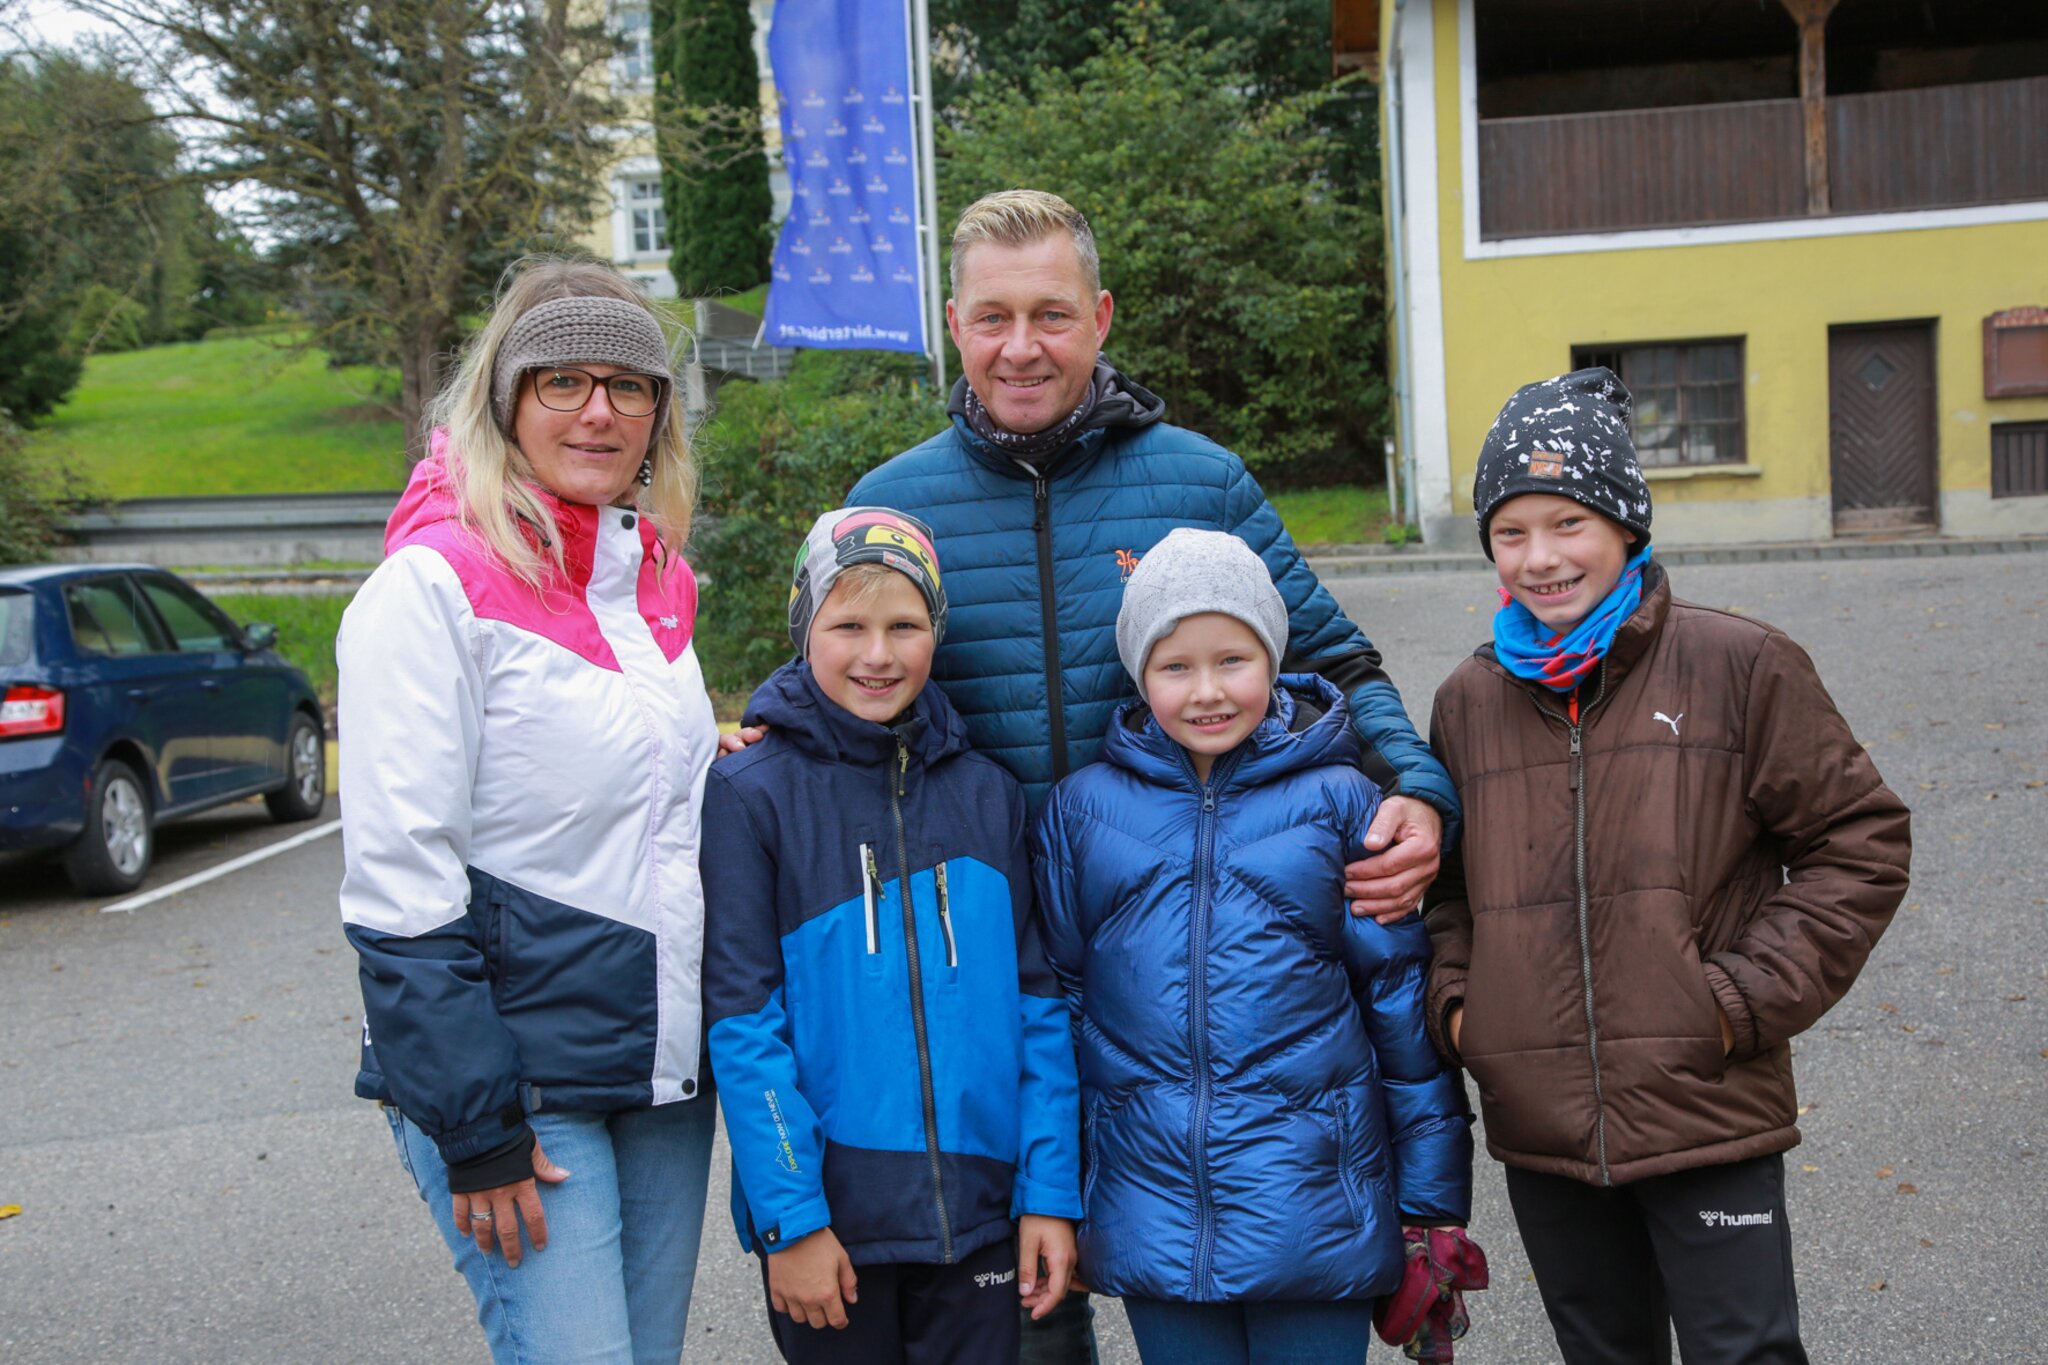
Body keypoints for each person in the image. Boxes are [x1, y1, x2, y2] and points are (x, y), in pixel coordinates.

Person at [828, 191, 1462, 1357]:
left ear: (1102, 316)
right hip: (982, 964)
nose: (1021, 347)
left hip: (1167, 970)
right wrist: (763, 738)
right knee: (1016, 1304)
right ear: (953, 324)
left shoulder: (1198, 481)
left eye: (1052, 315)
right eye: (992, 317)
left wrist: (1417, 792)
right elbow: (841, 685)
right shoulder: (894, 503)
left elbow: (1335, 660)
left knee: (1161, 1234)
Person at [1422, 368, 1913, 1365]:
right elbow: (1447, 893)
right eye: (1510, 532)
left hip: (1706, 1103)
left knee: (1745, 1352)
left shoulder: (1741, 664)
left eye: (1567, 523)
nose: (1539, 557)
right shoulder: (1467, 700)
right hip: (1544, 1125)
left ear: (1625, 525)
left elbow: (1858, 840)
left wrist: (1729, 1001)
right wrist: (1469, 1014)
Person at [338, 258, 719, 1363]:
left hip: (656, 1071)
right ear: (506, 399)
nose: (598, 411)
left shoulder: (652, 581)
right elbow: (400, 881)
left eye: (628, 384)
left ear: (658, 415)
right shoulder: (431, 587)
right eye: (562, 380)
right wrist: (477, 1124)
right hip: (520, 1088)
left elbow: (635, 784)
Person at [1032, 529, 1477, 1365]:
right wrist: (1057, 1192)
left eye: (1232, 660)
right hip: (1152, 1209)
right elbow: (1060, 1003)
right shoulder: (1081, 811)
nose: (1207, 691)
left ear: (1273, 657)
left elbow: (1398, 1011)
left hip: (1316, 1209)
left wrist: (1431, 1201)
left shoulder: (1343, 800)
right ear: (1138, 672)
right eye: (1176, 666)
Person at [699, 507, 1083, 1365]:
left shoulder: (987, 793)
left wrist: (1050, 1191)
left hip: (981, 1216)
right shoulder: (751, 794)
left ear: (936, 631)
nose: (878, 654)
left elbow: (1037, 1005)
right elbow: (743, 1023)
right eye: (849, 626)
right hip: (832, 1227)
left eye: (905, 626)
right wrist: (790, 1220)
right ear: (804, 626)